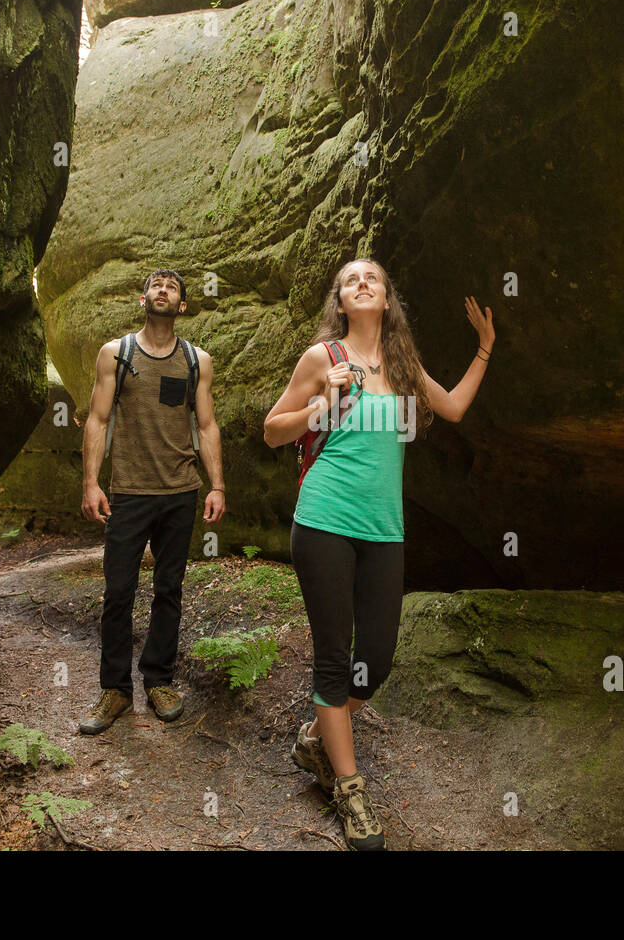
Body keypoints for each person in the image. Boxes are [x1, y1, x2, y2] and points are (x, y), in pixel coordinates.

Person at [263, 258, 494, 849]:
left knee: (379, 658)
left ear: (387, 301)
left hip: (383, 530)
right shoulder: (323, 359)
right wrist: (321, 406)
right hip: (324, 522)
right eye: (350, 281)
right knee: (335, 657)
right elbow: (272, 428)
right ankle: (350, 791)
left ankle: (318, 734)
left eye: (374, 279)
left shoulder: (402, 366)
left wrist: (485, 349)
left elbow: (454, 409)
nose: (362, 284)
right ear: (340, 302)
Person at [78, 269, 227, 734]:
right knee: (118, 592)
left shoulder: (196, 360)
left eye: (173, 287)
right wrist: (91, 482)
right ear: (143, 298)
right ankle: (116, 691)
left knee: (169, 590)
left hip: (179, 493)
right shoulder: (116, 354)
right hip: (129, 492)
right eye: (156, 285)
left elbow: (205, 426)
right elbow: (98, 419)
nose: (163, 291)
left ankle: (159, 680)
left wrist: (217, 485)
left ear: (182, 305)